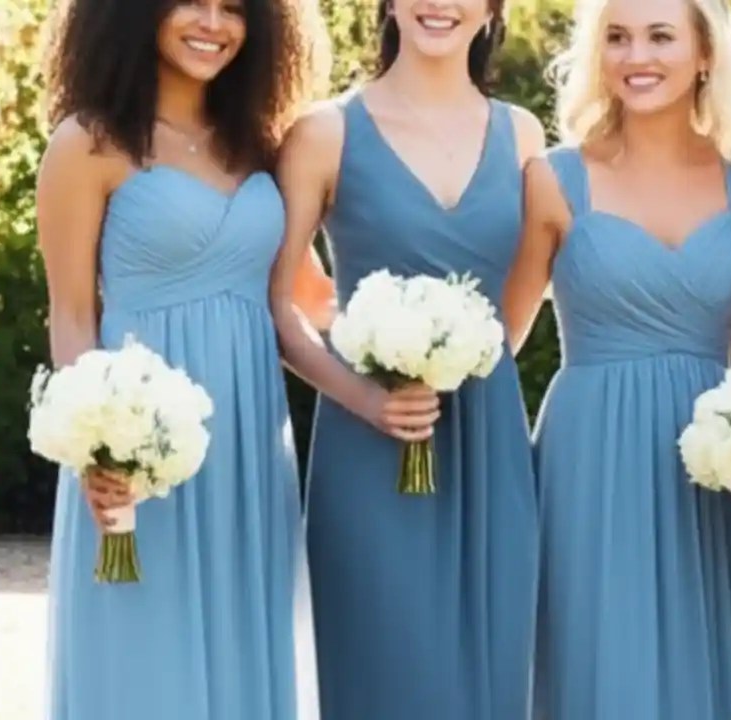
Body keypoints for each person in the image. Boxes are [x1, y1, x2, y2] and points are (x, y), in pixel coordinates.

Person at [37, 0, 322, 717]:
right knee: (143, 662)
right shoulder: (88, 143)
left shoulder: (260, 145)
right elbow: (72, 314)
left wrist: (406, 354)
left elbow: (308, 302)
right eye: (192, 1)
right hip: (139, 457)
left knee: (243, 652)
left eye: (234, 8)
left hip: (250, 456)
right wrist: (97, 449)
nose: (214, 22)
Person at [504, 0, 731, 717]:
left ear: (705, 55)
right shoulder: (552, 178)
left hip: (712, 464)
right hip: (590, 458)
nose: (638, 57)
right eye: (618, 39)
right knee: (600, 659)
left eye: (661, 36)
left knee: (708, 662)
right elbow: (499, 342)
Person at [267, 0, 546, 716]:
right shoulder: (324, 133)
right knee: (383, 668)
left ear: (490, 11)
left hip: (491, 445)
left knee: (494, 674)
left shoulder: (523, 135)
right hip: (368, 445)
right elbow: (277, 305)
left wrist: (459, 371)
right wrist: (365, 396)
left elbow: (517, 308)